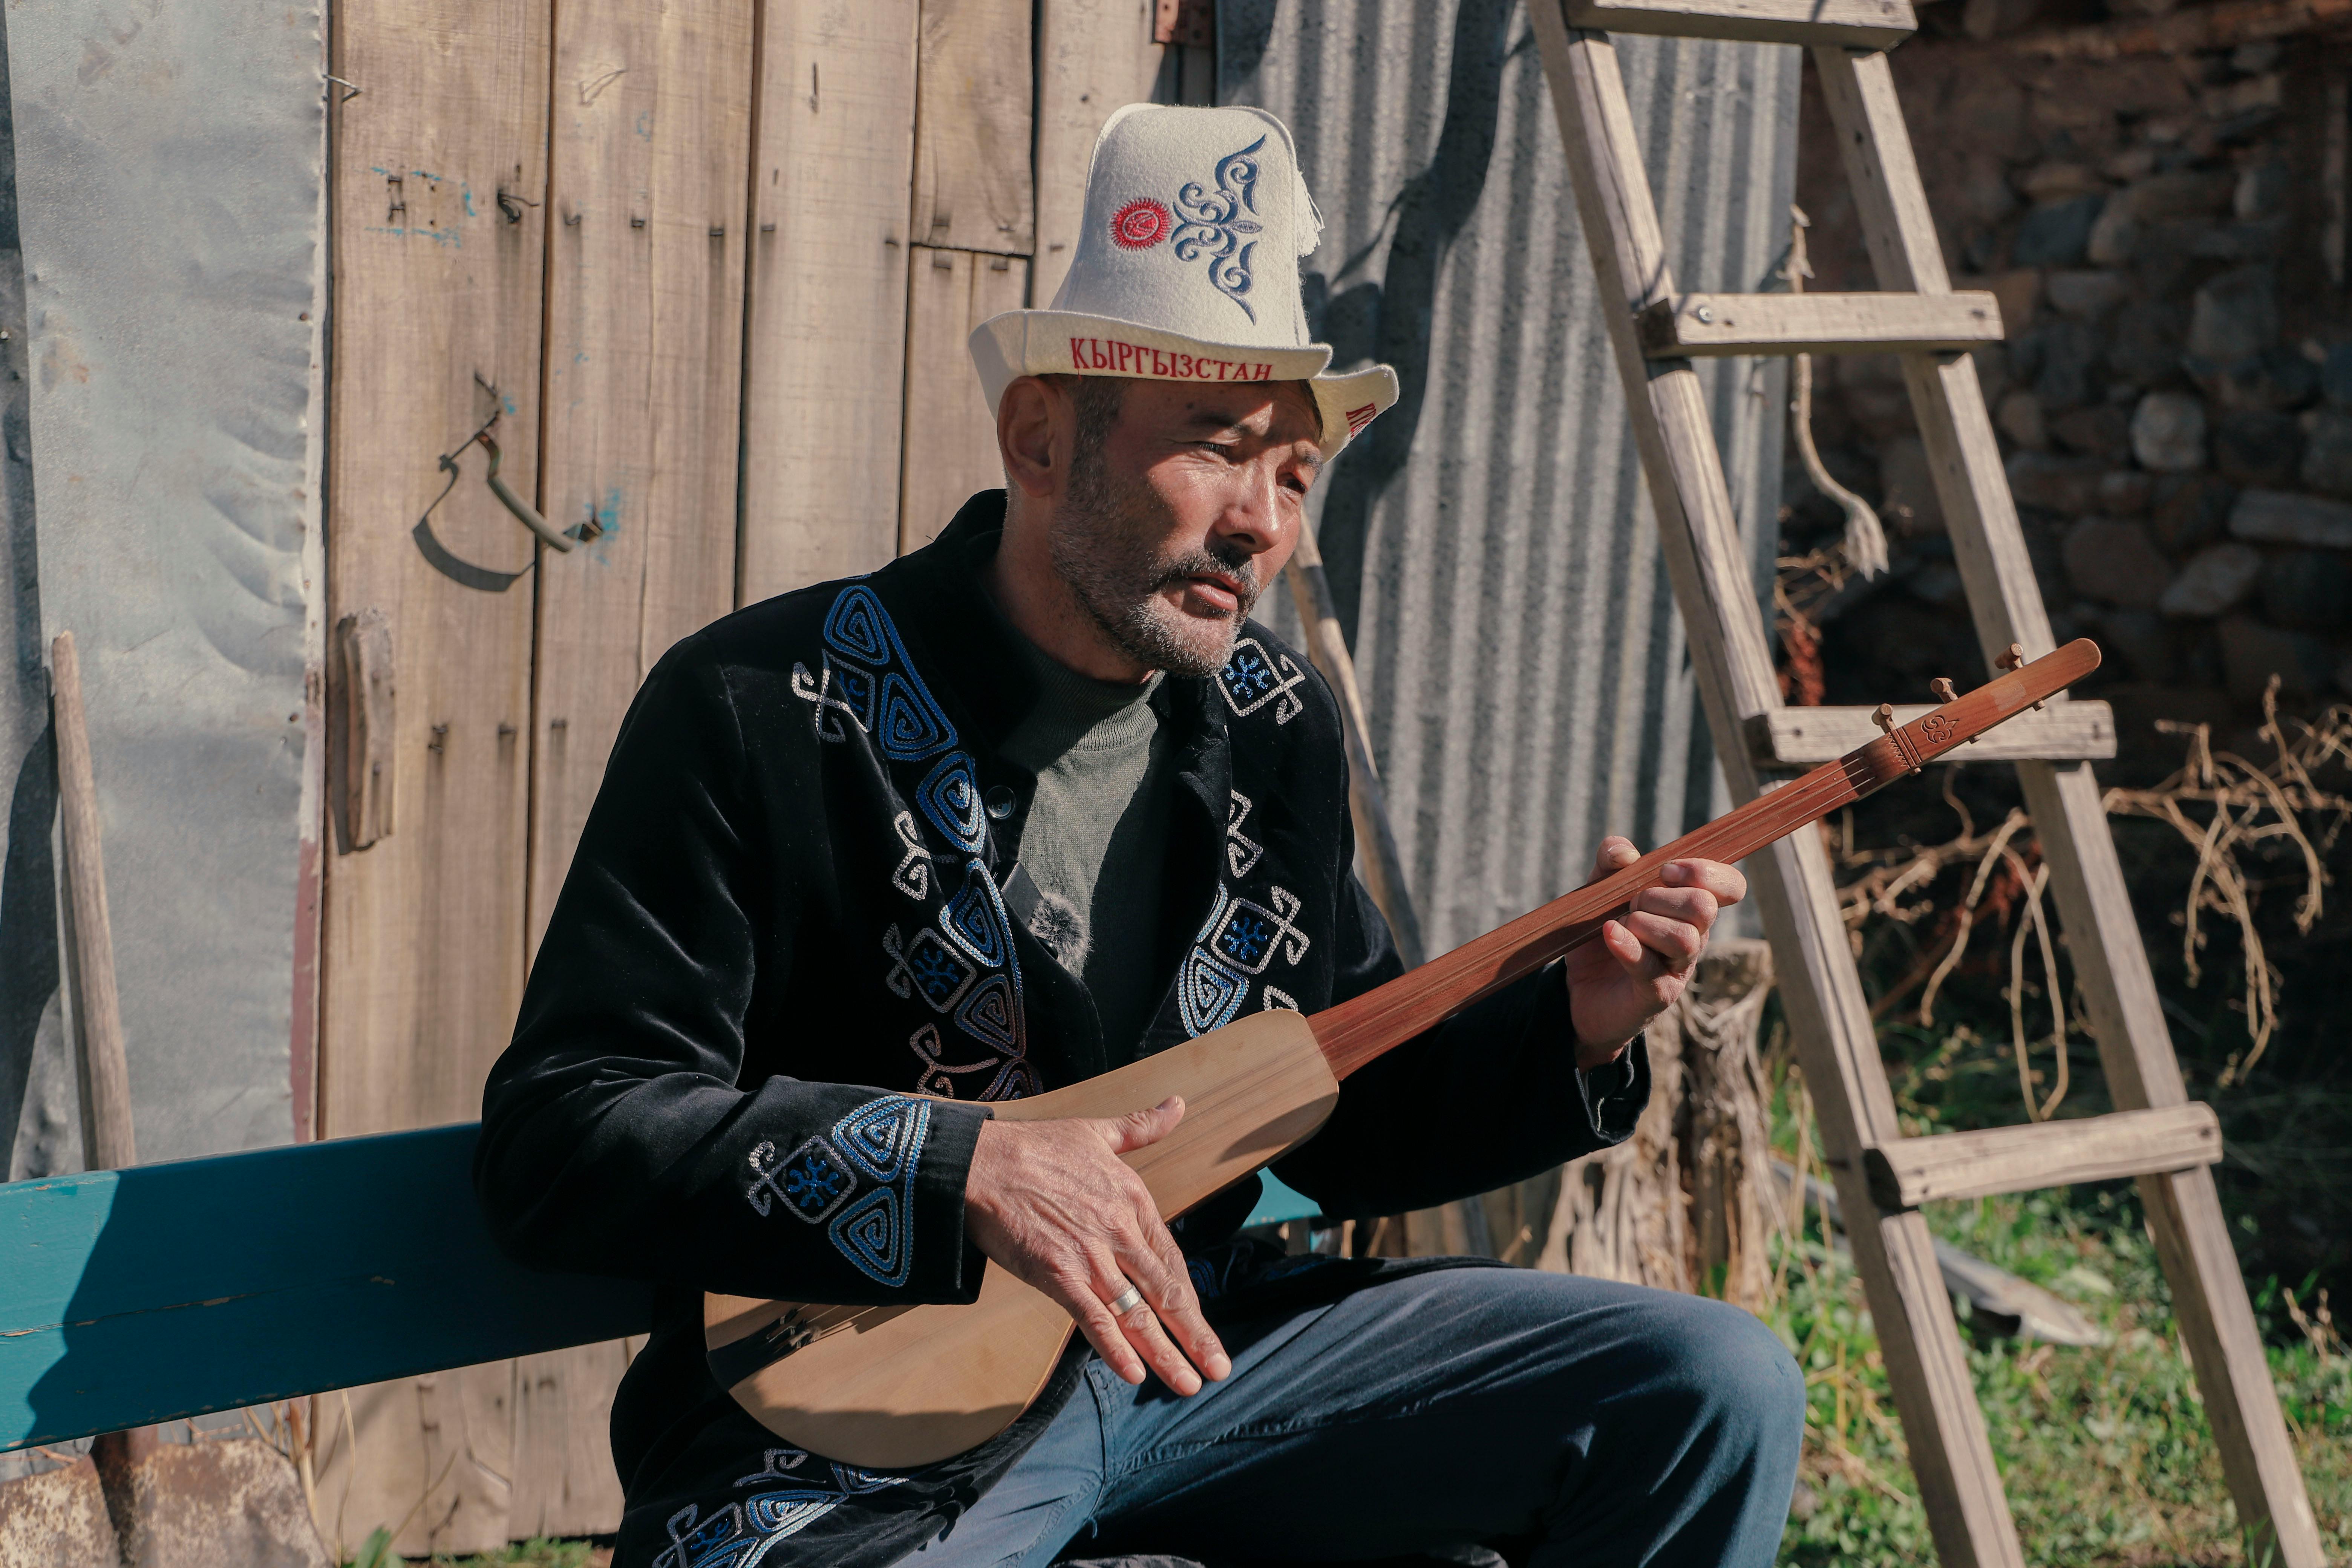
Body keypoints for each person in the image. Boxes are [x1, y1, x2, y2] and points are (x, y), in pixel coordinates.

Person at [476, 103, 1802, 1568]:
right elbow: (565, 1132)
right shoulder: (765, 711)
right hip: (867, 1419)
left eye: (1297, 474)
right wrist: (959, 1166)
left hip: (1207, 1352)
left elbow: (1334, 1109)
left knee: (1706, 1387)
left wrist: (1576, 1023)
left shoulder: (1272, 723)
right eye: (1219, 449)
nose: (1262, 521)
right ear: (1044, 437)